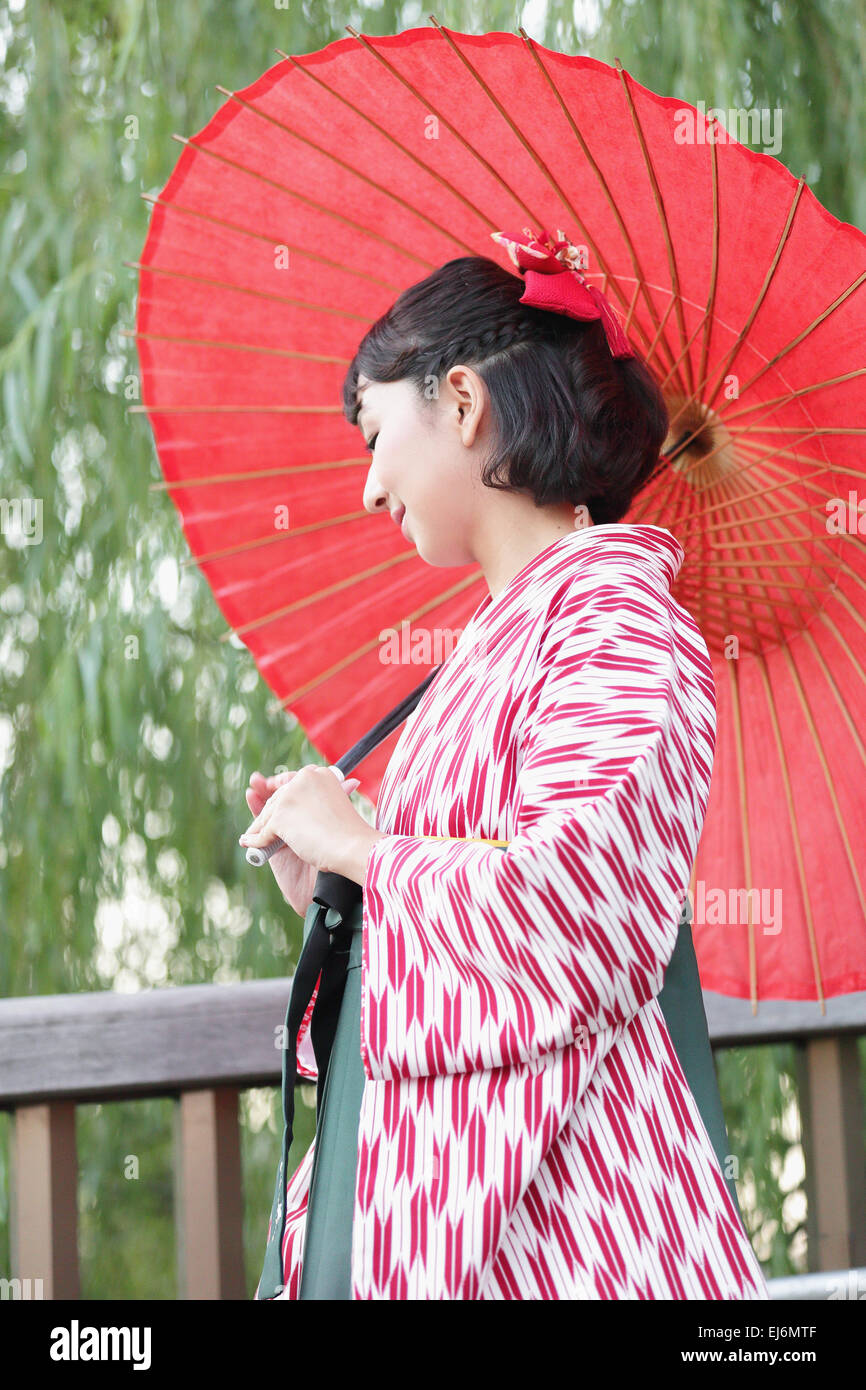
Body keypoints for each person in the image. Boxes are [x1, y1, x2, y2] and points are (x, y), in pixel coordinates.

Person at [241, 243, 771, 1299]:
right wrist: (340, 894)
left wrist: (366, 847)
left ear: (464, 400)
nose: (365, 486)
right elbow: (456, 913)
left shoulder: (614, 621)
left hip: (570, 1223)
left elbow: (573, 913)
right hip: (473, 1211)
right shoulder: (503, 642)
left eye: (375, 433)